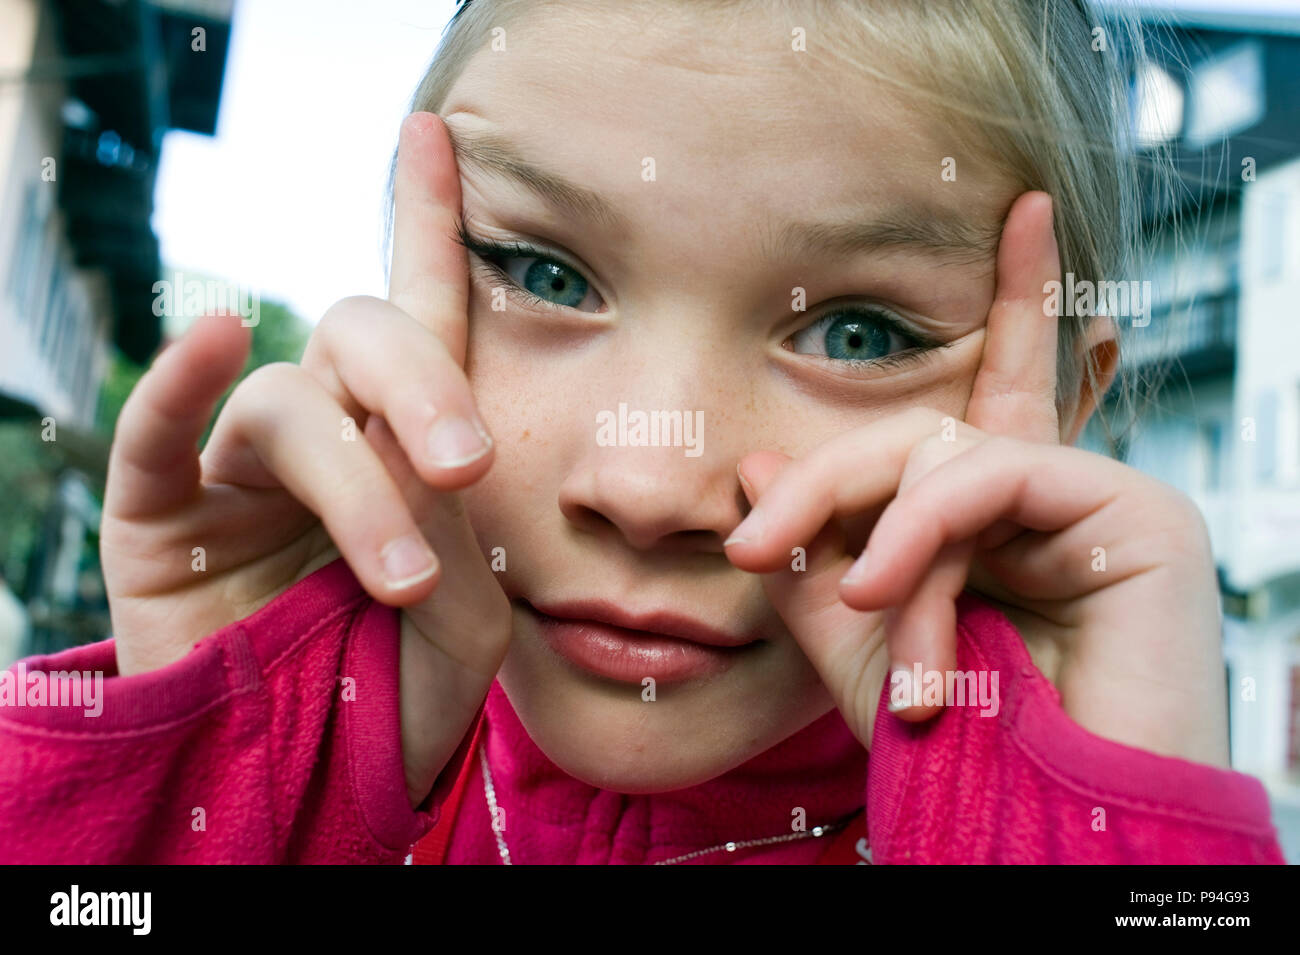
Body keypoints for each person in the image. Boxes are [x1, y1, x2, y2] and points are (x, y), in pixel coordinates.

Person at [0, 0, 1285, 864]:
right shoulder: (288, 743)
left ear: (1059, 408)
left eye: (857, 332)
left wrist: (1085, 830)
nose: (652, 482)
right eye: (544, 274)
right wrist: (211, 779)